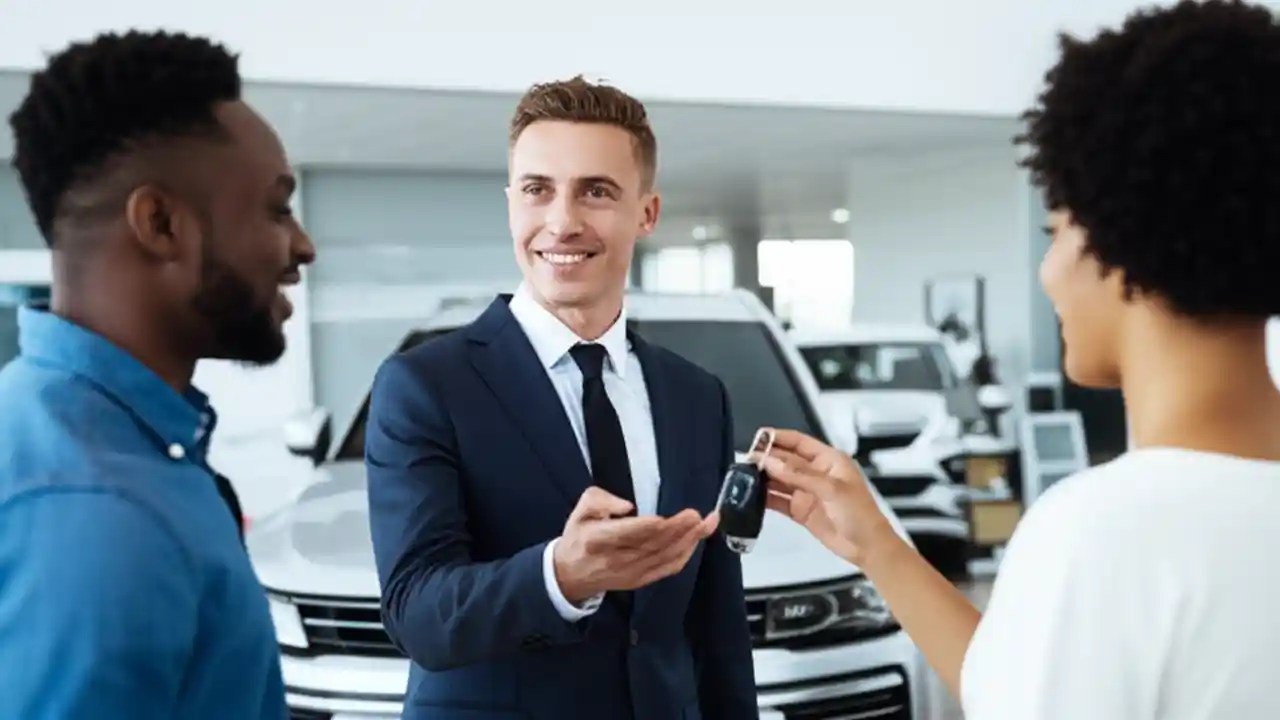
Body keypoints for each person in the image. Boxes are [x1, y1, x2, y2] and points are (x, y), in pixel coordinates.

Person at [761, 2, 1280, 717]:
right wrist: (880, 547)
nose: (1049, 272)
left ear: (1116, 239)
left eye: (1056, 230)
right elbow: (1010, 682)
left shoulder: (1100, 532)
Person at [364, 76, 757, 720]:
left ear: (647, 213)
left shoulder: (697, 396)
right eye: (537, 190)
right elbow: (418, 614)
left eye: (596, 191)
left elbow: (717, 628)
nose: (563, 221)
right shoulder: (425, 386)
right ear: (512, 204)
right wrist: (561, 575)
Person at [0, 30, 316, 719]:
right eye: (275, 207)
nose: (302, 246)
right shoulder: (96, 509)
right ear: (162, 223)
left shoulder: (74, 438)